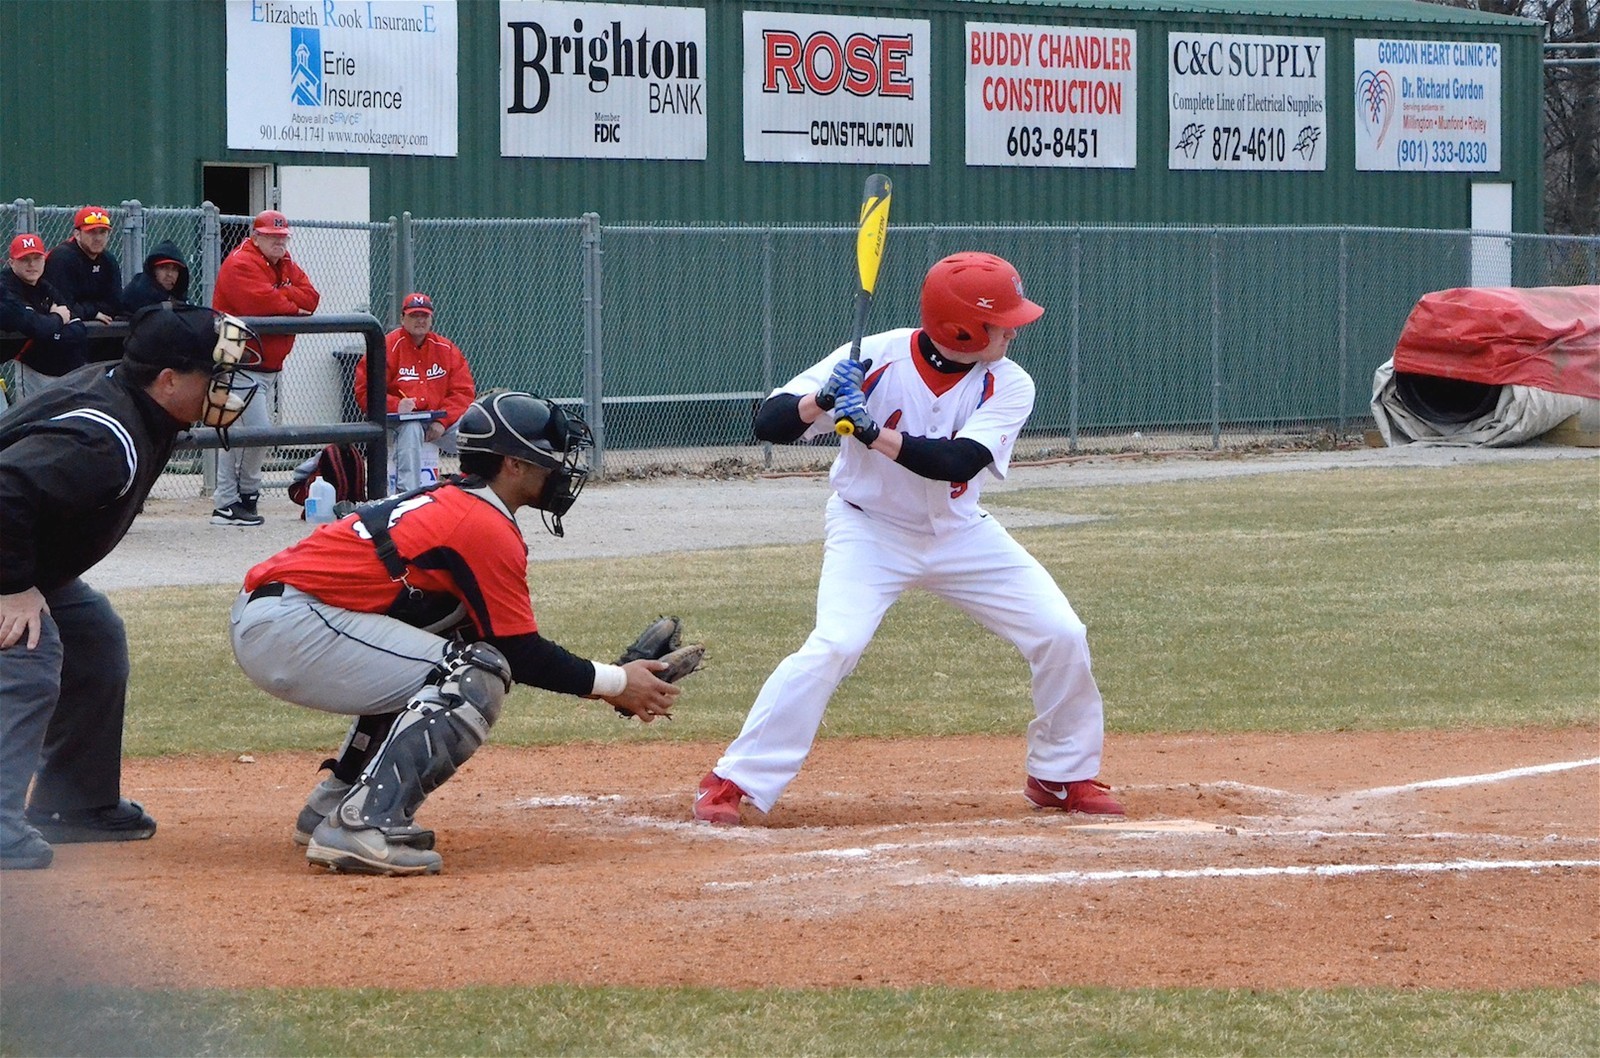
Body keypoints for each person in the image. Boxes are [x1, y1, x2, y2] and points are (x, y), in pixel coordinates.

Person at [693, 252, 1125, 825]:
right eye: (1004, 322)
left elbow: (958, 461)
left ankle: (1060, 775)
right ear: (962, 328)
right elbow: (768, 422)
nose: (1015, 332)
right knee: (835, 645)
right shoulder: (876, 355)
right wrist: (819, 402)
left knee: (1061, 633)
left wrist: (872, 433)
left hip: (960, 534)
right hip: (869, 531)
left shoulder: (1009, 382)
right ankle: (734, 779)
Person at [229, 391, 681, 876]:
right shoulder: (481, 522)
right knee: (472, 671)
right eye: (547, 456)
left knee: (453, 649)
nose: (558, 468)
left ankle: (332, 805)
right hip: (292, 624)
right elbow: (517, 651)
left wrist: (614, 683)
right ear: (513, 464)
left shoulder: (459, 502)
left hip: (284, 617)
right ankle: (363, 825)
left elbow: (489, 634)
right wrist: (616, 682)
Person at [0, 303, 260, 870]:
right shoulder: (107, 440)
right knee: (28, 653)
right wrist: (12, 587)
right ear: (167, 380)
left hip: (20, 551)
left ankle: (74, 803)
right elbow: (7, 487)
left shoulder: (138, 398)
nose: (227, 387)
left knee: (93, 640)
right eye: (211, 375)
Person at [209, 209, 321, 527]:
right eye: (272, 237)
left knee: (246, 433)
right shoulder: (241, 262)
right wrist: (289, 301)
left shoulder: (284, 263)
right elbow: (262, 305)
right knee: (251, 432)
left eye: (282, 237)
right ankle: (230, 501)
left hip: (267, 365)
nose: (279, 243)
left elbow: (311, 298)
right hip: (236, 360)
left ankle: (239, 500)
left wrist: (283, 295)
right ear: (256, 237)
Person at [354, 292, 477, 493]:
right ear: (402, 318)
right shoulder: (386, 346)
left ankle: (475, 488)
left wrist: (442, 421)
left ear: (431, 319)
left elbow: (463, 392)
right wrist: (395, 405)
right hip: (398, 423)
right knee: (411, 427)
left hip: (437, 421)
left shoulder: (446, 348)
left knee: (474, 434)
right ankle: (408, 496)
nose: (420, 320)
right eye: (414, 315)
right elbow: (364, 390)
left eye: (424, 316)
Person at [0, 233, 90, 401]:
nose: (31, 264)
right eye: (25, 259)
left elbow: (77, 325)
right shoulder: (6, 286)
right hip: (33, 367)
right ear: (12, 263)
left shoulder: (44, 287)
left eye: (37, 258)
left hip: (59, 369)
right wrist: (57, 318)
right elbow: (35, 326)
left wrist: (52, 330)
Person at [43, 205, 124, 363]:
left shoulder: (108, 260)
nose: (98, 238)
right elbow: (64, 306)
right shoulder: (62, 258)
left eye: (103, 232)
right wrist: (93, 311)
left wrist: (86, 309)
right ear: (77, 234)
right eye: (91, 232)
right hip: (57, 347)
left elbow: (115, 303)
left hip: (95, 344)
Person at [121, 240, 192, 312]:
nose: (170, 274)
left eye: (175, 269)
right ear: (153, 270)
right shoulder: (137, 294)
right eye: (164, 268)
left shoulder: (178, 298)